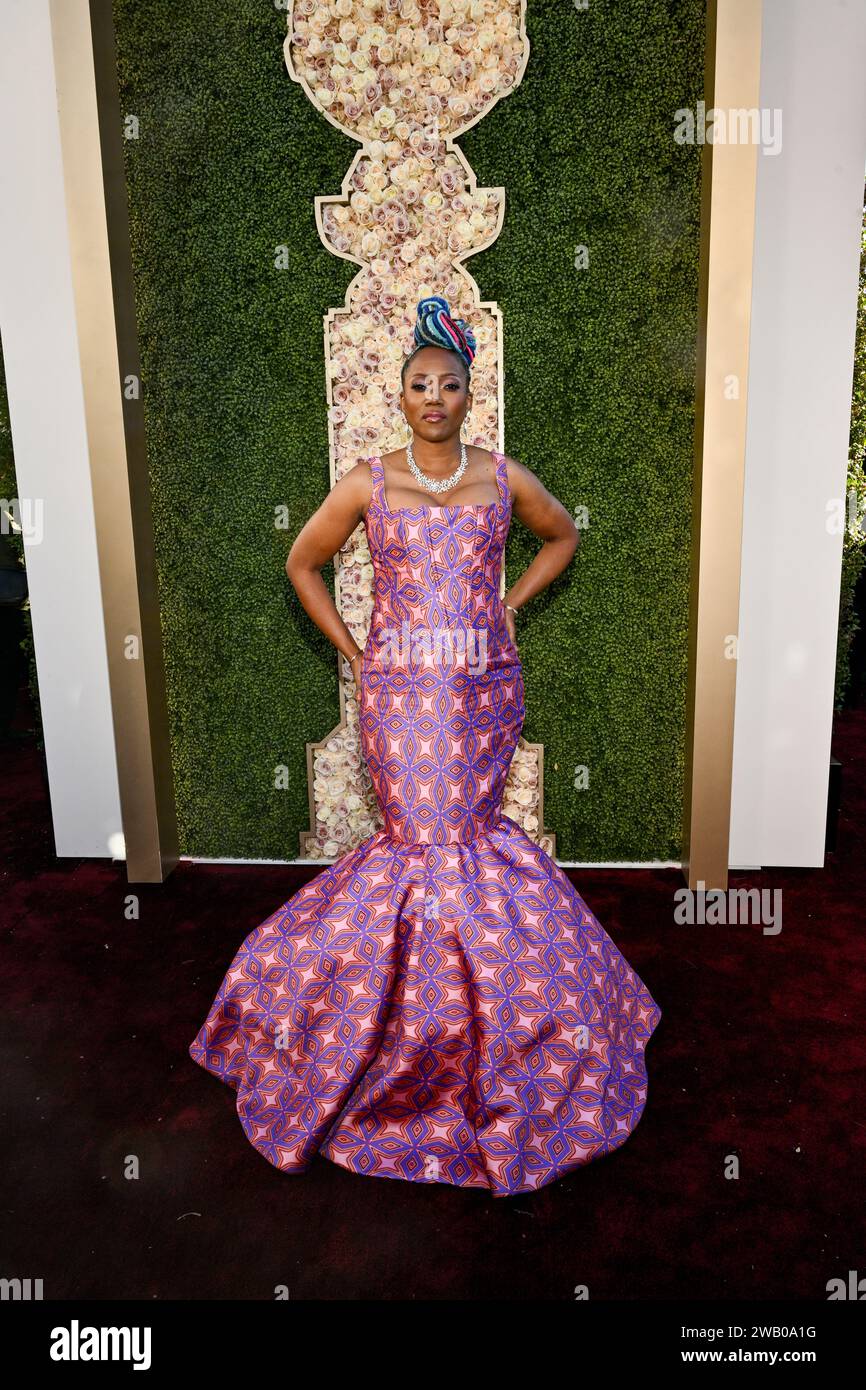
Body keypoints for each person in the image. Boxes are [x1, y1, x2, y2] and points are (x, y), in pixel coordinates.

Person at [189, 294, 661, 1196]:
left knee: (474, 842)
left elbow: (563, 536)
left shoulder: (500, 475)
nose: (433, 396)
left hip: (484, 690)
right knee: (422, 846)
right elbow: (302, 562)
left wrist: (509, 609)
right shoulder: (370, 482)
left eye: (448, 383)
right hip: (402, 697)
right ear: (398, 396)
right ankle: (391, 1037)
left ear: (467, 394)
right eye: (418, 383)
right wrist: (359, 653)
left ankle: (506, 1032)